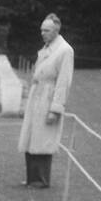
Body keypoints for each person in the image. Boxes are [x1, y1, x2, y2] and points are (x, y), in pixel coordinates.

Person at [18, 13, 73, 188]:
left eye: (47, 30)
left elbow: (64, 81)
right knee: (31, 136)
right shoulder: (45, 49)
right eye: (42, 30)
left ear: (56, 31)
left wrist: (55, 109)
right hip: (37, 94)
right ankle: (31, 177)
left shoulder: (64, 50)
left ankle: (41, 179)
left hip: (49, 97)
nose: (43, 33)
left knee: (44, 138)